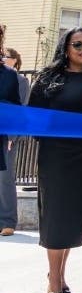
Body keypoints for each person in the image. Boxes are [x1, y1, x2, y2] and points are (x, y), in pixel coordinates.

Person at [27, 28, 82, 293]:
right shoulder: (49, 78)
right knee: (56, 214)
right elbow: (34, 115)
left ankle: (60, 273)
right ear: (66, 48)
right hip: (57, 156)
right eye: (78, 44)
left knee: (73, 216)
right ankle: (54, 278)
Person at [0, 28, 24, 238]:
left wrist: (11, 136)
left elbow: (18, 110)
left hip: (4, 136)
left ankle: (7, 221)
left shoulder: (13, 77)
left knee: (5, 179)